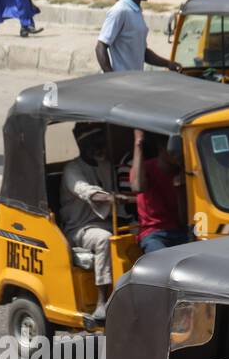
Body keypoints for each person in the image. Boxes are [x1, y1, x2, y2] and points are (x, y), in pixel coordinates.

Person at [59, 125, 121, 322]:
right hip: (79, 229)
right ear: (81, 144)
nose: (99, 147)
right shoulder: (73, 169)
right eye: (94, 142)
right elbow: (86, 191)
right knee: (105, 239)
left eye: (101, 142)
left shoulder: (104, 165)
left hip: (107, 223)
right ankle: (102, 301)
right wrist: (112, 198)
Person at [95, 0, 181, 74]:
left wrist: (168, 64)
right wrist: (111, 77)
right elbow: (101, 47)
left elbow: (143, 53)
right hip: (120, 83)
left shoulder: (136, 12)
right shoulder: (120, 11)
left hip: (134, 81)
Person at [130, 129, 191, 254]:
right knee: (163, 261)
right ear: (163, 149)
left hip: (182, 232)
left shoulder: (185, 172)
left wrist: (180, 190)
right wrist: (138, 143)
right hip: (154, 234)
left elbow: (184, 220)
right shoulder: (146, 169)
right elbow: (137, 187)